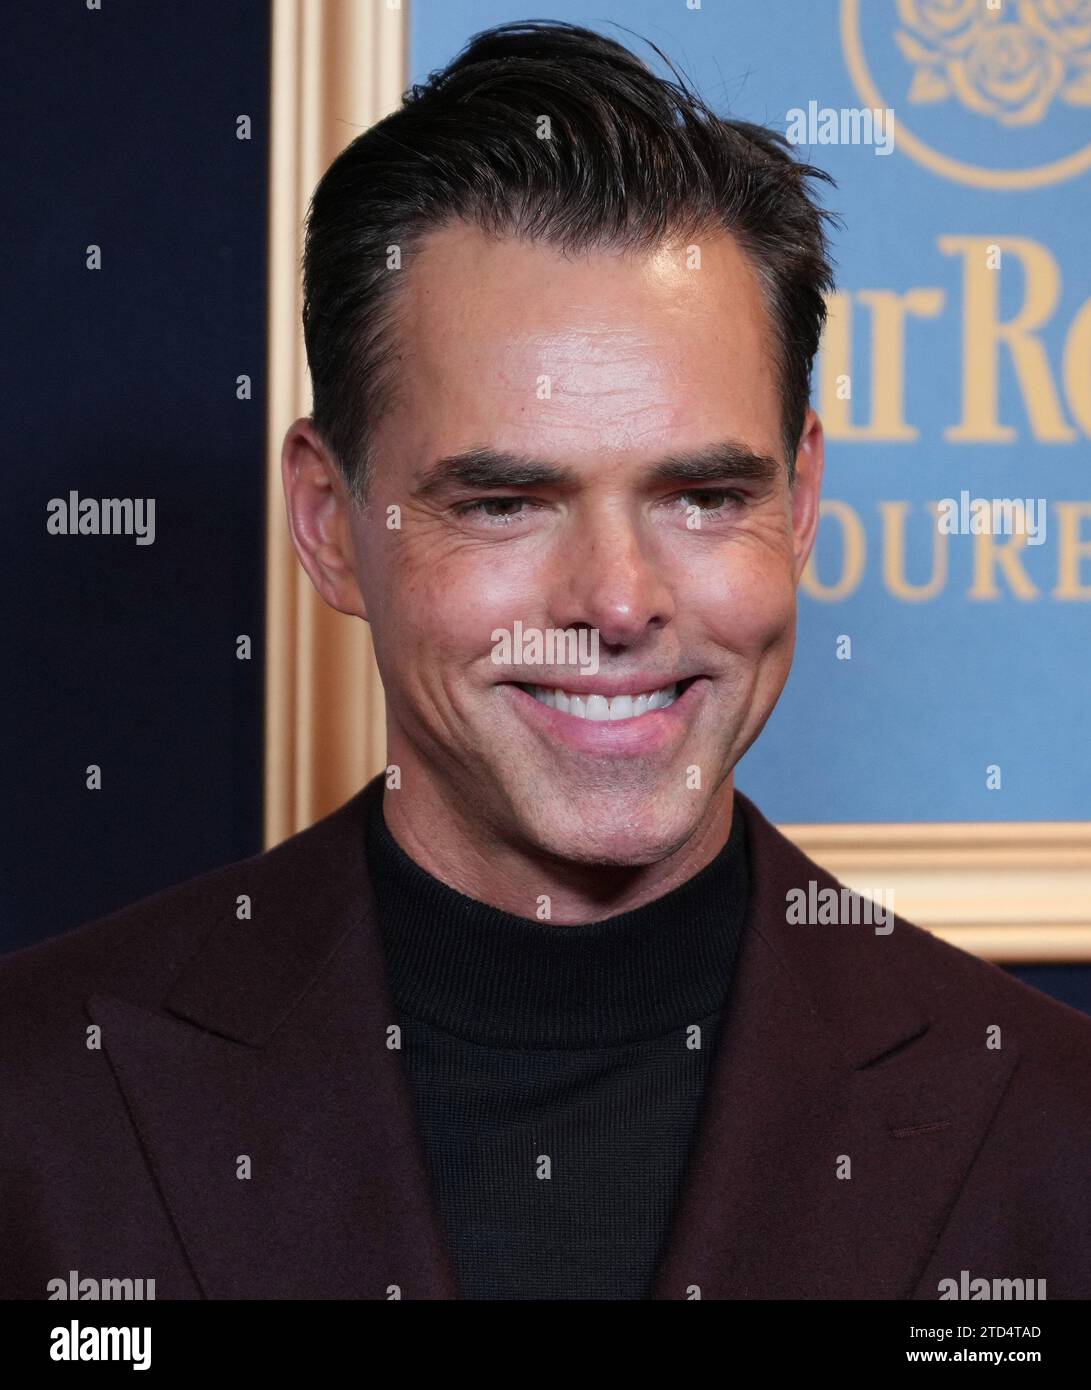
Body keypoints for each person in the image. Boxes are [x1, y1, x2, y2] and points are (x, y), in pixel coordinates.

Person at [2, 20, 1089, 1302]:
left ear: (796, 503)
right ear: (329, 524)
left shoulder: (1049, 1130)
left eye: (699, 495)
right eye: (504, 503)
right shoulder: (37, 1107)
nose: (617, 601)